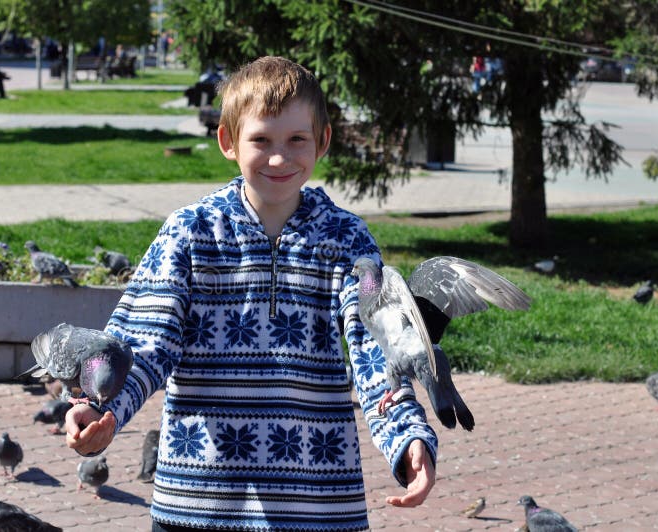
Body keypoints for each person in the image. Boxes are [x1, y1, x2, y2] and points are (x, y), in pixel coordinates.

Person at [64, 55, 437, 531]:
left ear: (323, 141)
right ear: (228, 141)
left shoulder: (348, 241)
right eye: (260, 140)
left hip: (316, 506)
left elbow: (378, 349)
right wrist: (99, 408)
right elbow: (142, 339)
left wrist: (407, 437)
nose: (279, 157)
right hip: (198, 503)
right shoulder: (191, 232)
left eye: (297, 140)